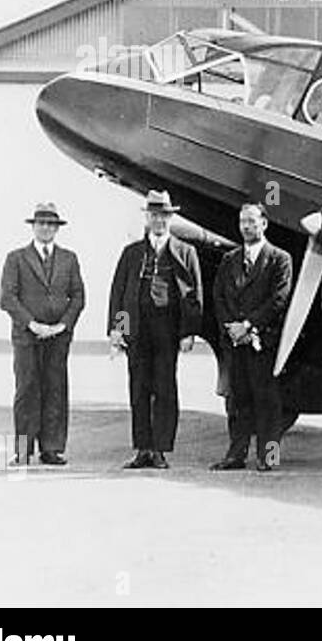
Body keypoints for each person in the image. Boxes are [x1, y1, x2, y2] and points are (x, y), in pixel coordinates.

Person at [108, 190, 204, 470]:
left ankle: (160, 450)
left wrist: (189, 332)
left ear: (171, 218)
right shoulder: (131, 253)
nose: (159, 220)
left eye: (164, 215)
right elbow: (119, 294)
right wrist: (117, 330)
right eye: (154, 215)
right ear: (147, 218)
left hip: (167, 328)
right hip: (137, 328)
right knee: (138, 389)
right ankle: (142, 449)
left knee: (165, 388)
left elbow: (195, 296)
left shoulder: (187, 252)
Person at [0, 202, 85, 466]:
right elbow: (7, 298)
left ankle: (52, 448)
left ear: (57, 229)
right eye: (42, 223)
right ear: (33, 226)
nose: (46, 228)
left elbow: (78, 296)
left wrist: (62, 325)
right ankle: (23, 451)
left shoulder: (69, 258)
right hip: (27, 336)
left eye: (51, 224)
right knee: (26, 390)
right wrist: (32, 324)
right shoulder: (16, 258)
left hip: (58, 337)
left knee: (55, 389)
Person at [210, 203, 293, 472]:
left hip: (262, 341)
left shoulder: (280, 259)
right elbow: (219, 296)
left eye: (252, 221)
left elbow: (279, 299)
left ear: (264, 224)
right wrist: (231, 327)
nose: (246, 226)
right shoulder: (228, 260)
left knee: (267, 401)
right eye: (243, 221)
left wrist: (248, 325)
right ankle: (235, 455)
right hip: (235, 342)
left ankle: (268, 457)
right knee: (237, 400)